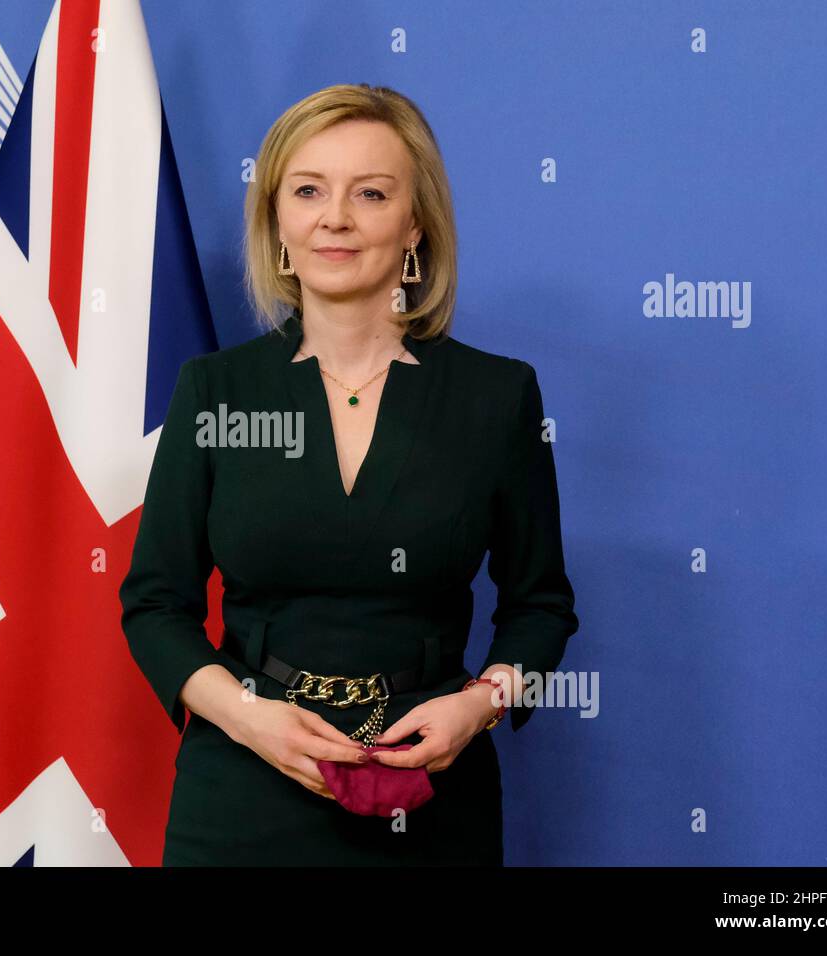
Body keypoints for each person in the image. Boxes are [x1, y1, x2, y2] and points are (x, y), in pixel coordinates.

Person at [118, 83, 578, 866]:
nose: (335, 217)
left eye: (370, 193)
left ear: (414, 227)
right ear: (278, 225)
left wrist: (479, 706)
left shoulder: (497, 397)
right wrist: (245, 716)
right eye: (308, 191)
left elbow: (541, 608)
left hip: (431, 795)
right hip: (241, 788)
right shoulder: (216, 390)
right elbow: (155, 606)